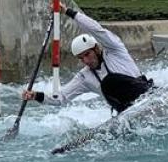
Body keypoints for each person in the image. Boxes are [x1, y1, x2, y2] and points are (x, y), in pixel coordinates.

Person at [20, 7, 152, 114]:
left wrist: (67, 12)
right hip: (125, 109)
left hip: (145, 93)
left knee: (109, 83)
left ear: (96, 49)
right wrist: (36, 96)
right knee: (107, 85)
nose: (86, 60)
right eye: (81, 58)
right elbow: (61, 98)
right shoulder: (84, 77)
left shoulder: (114, 50)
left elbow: (96, 30)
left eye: (87, 54)